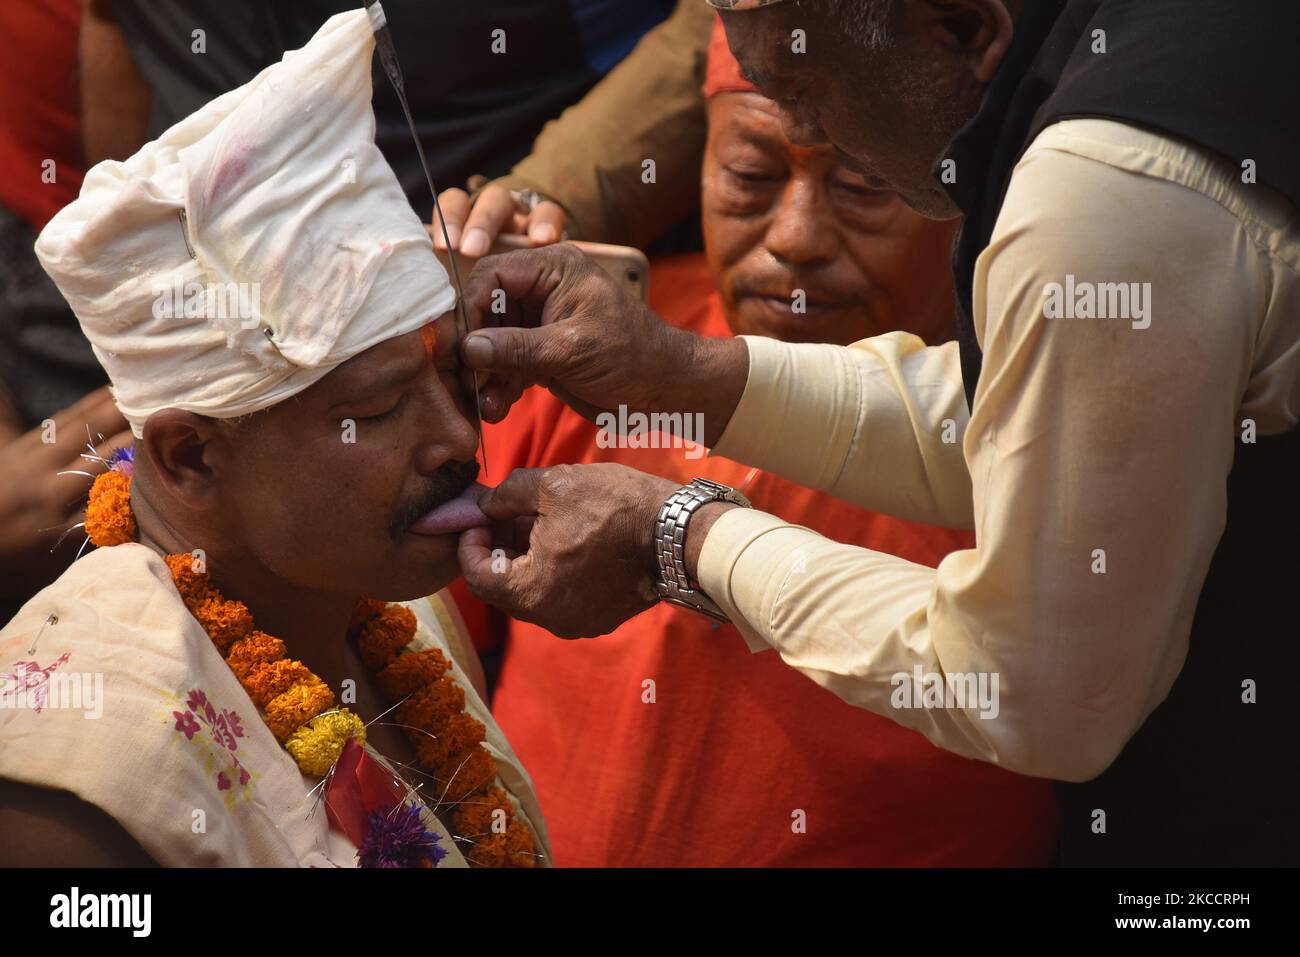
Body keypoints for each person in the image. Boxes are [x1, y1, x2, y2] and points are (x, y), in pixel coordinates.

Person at [453, 0, 1300, 865]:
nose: (800, 135)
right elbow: (1012, 413)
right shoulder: (1111, 98)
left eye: (811, 94)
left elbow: (1039, 692)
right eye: (755, 158)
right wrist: (675, 369)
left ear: (967, 30)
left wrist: (676, 533)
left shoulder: (1101, 192)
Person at [467, 16, 1056, 866]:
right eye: (750, 174)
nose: (796, 237)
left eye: (859, 186)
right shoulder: (574, 359)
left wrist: (676, 537)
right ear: (697, 165)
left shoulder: (1034, 420)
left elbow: (1059, 697)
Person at [0, 10, 547, 868]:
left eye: (451, 378)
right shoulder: (79, 768)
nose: (456, 442)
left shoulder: (404, 616)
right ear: (192, 455)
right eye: (379, 405)